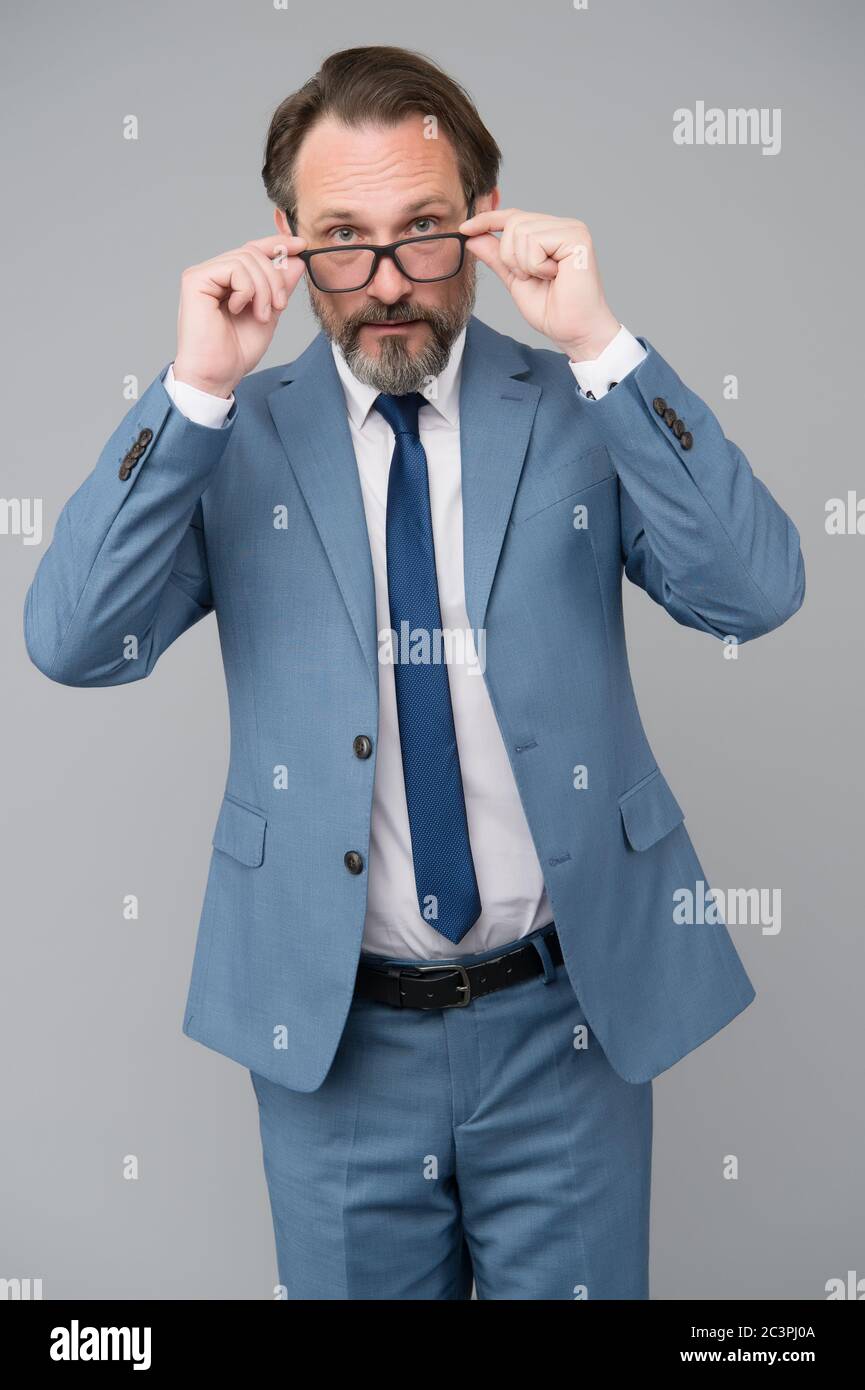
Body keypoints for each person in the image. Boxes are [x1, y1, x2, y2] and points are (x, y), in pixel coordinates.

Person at [23, 45, 805, 1300]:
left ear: (482, 224)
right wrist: (189, 389)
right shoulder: (230, 438)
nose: (386, 281)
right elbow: (69, 638)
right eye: (343, 236)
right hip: (334, 1042)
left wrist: (602, 344)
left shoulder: (575, 408)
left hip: (570, 1025)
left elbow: (755, 591)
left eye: (424, 231)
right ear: (286, 242)